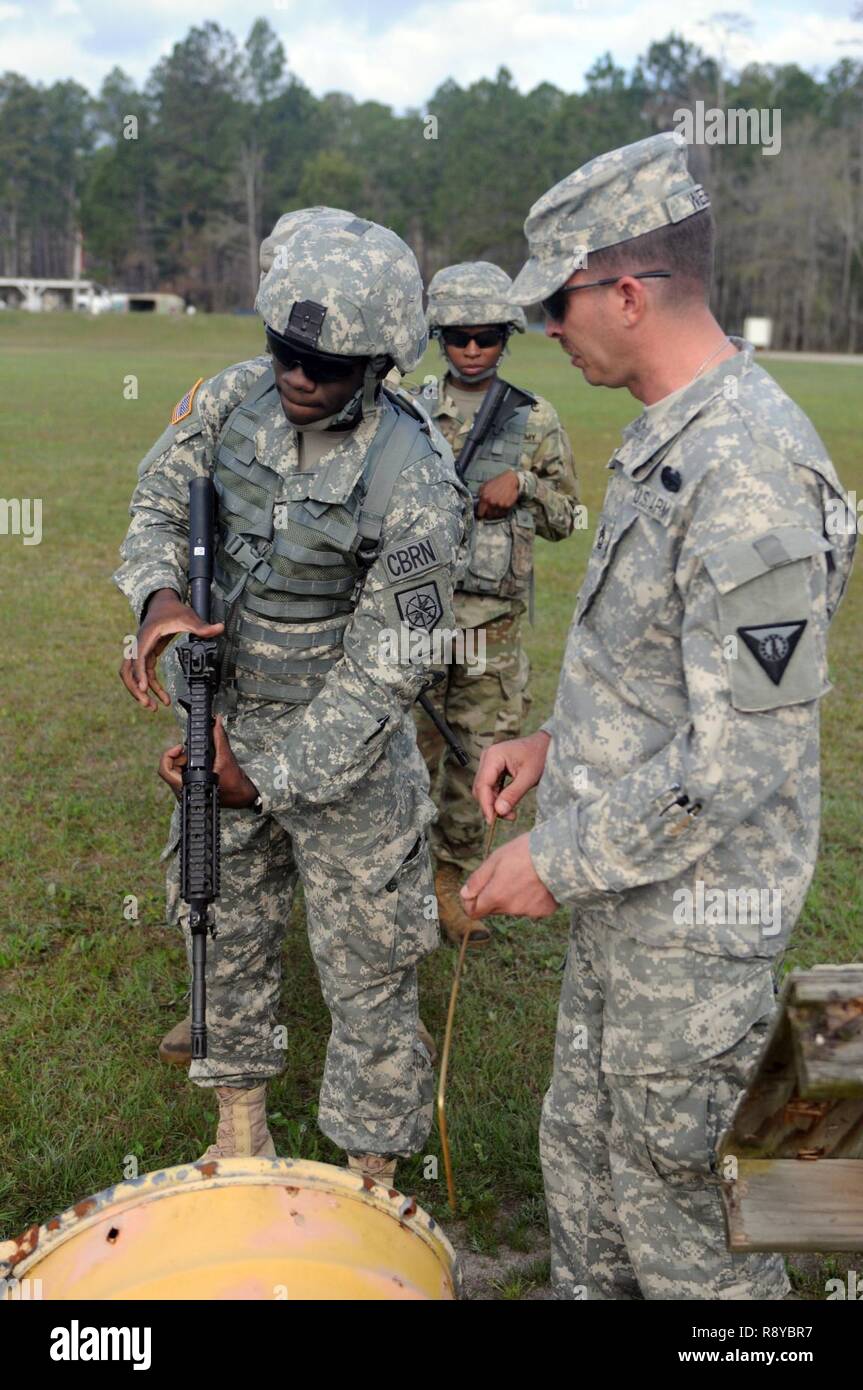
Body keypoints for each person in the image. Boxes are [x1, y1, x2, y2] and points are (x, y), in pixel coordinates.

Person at [461, 132, 856, 1298]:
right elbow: (667, 679)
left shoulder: (746, 467)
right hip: (626, 918)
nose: (545, 330)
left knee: (691, 1243)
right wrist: (552, 746)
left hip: (689, 943)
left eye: (557, 304)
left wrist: (557, 855)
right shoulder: (670, 435)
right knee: (588, 1189)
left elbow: (742, 756)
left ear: (625, 293)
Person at [115, 207, 470, 1186]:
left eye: (328, 361)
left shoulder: (415, 477)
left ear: (379, 362)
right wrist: (158, 602)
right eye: (285, 349)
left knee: (368, 971)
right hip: (221, 716)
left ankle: (373, 1183)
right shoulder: (230, 403)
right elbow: (155, 503)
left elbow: (388, 664)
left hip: (345, 754)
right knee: (223, 932)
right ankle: (237, 1142)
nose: (299, 375)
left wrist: (260, 773)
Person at [411, 261, 579, 947]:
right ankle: (394, 883)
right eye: (458, 337)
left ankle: (449, 882)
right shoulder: (407, 408)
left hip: (493, 632)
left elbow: (567, 517)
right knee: (404, 759)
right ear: (439, 337)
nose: (472, 349)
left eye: (485, 336)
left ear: (506, 337)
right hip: (412, 626)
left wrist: (527, 486)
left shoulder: (534, 419)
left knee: (474, 760)